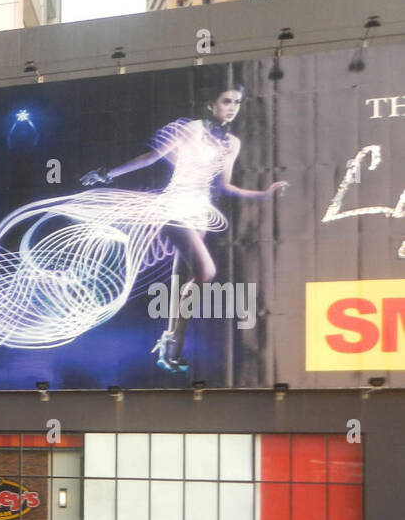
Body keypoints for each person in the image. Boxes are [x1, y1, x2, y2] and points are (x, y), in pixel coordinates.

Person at [81, 85, 289, 372]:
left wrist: (263, 194)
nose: (232, 107)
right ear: (210, 104)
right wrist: (106, 174)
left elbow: (224, 186)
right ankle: (169, 343)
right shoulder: (188, 129)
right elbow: (150, 157)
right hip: (175, 207)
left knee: (182, 285)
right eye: (226, 101)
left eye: (237, 103)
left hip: (200, 212)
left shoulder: (232, 143)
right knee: (206, 273)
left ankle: (169, 351)